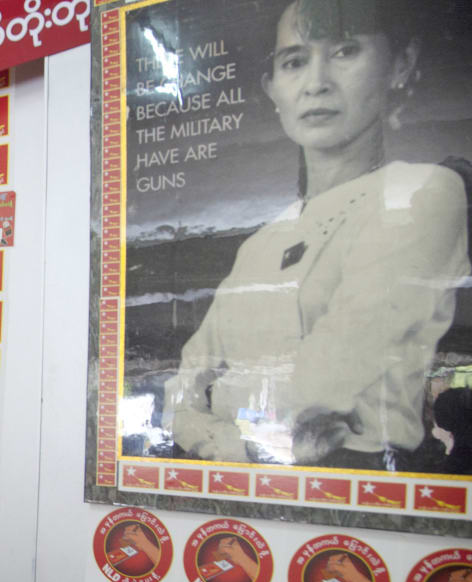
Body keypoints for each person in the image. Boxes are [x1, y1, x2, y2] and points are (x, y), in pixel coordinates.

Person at [162, 0, 470, 469]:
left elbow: (324, 380)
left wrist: (223, 408)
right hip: (248, 473)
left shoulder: (423, 193)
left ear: (400, 64)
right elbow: (181, 391)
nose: (317, 82)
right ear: (272, 88)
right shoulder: (258, 244)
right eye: (295, 61)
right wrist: (233, 437)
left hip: (361, 477)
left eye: (346, 51)